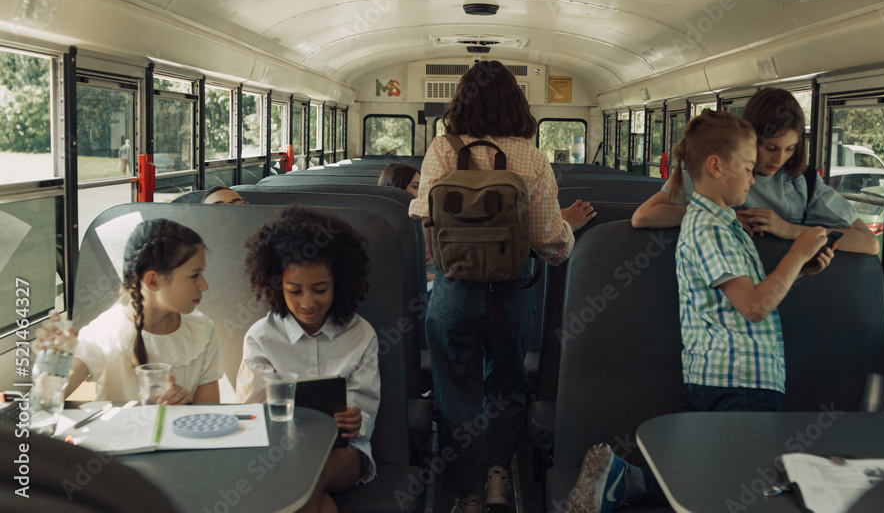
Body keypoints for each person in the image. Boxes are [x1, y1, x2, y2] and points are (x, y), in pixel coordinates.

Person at [564, 110, 835, 512]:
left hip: (720, 373)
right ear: (715, 166)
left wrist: (801, 270)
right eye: (747, 168)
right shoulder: (710, 229)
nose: (753, 178)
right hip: (741, 376)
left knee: (712, 474)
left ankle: (625, 480)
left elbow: (745, 294)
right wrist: (797, 252)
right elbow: (753, 306)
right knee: (744, 485)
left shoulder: (720, 223)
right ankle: (625, 480)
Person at [409, 60, 589, 513]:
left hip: (452, 292)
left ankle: (465, 493)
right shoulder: (531, 157)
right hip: (512, 293)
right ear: (517, 103)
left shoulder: (441, 149)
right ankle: (496, 480)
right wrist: (566, 231)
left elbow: (425, 222)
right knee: (506, 387)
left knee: (455, 392)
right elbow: (551, 243)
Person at [236, 206, 379, 513]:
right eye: (294, 290)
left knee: (308, 476)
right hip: (277, 452)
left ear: (339, 283)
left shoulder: (361, 335)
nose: (308, 302)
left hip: (344, 453)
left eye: (320, 289)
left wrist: (355, 419)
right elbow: (249, 416)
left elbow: (364, 419)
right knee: (318, 502)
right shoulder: (261, 337)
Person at [631, 87, 878, 255]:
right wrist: (722, 215)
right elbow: (643, 216)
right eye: (770, 147)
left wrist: (789, 230)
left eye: (790, 149)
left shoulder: (804, 183)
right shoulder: (711, 176)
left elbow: (869, 242)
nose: (779, 159)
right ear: (749, 137)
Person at [41, 219, 221, 404]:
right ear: (153, 281)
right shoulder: (105, 334)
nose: (204, 285)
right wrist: (56, 357)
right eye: (194, 276)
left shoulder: (201, 330)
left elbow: (211, 412)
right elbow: (47, 399)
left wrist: (187, 405)